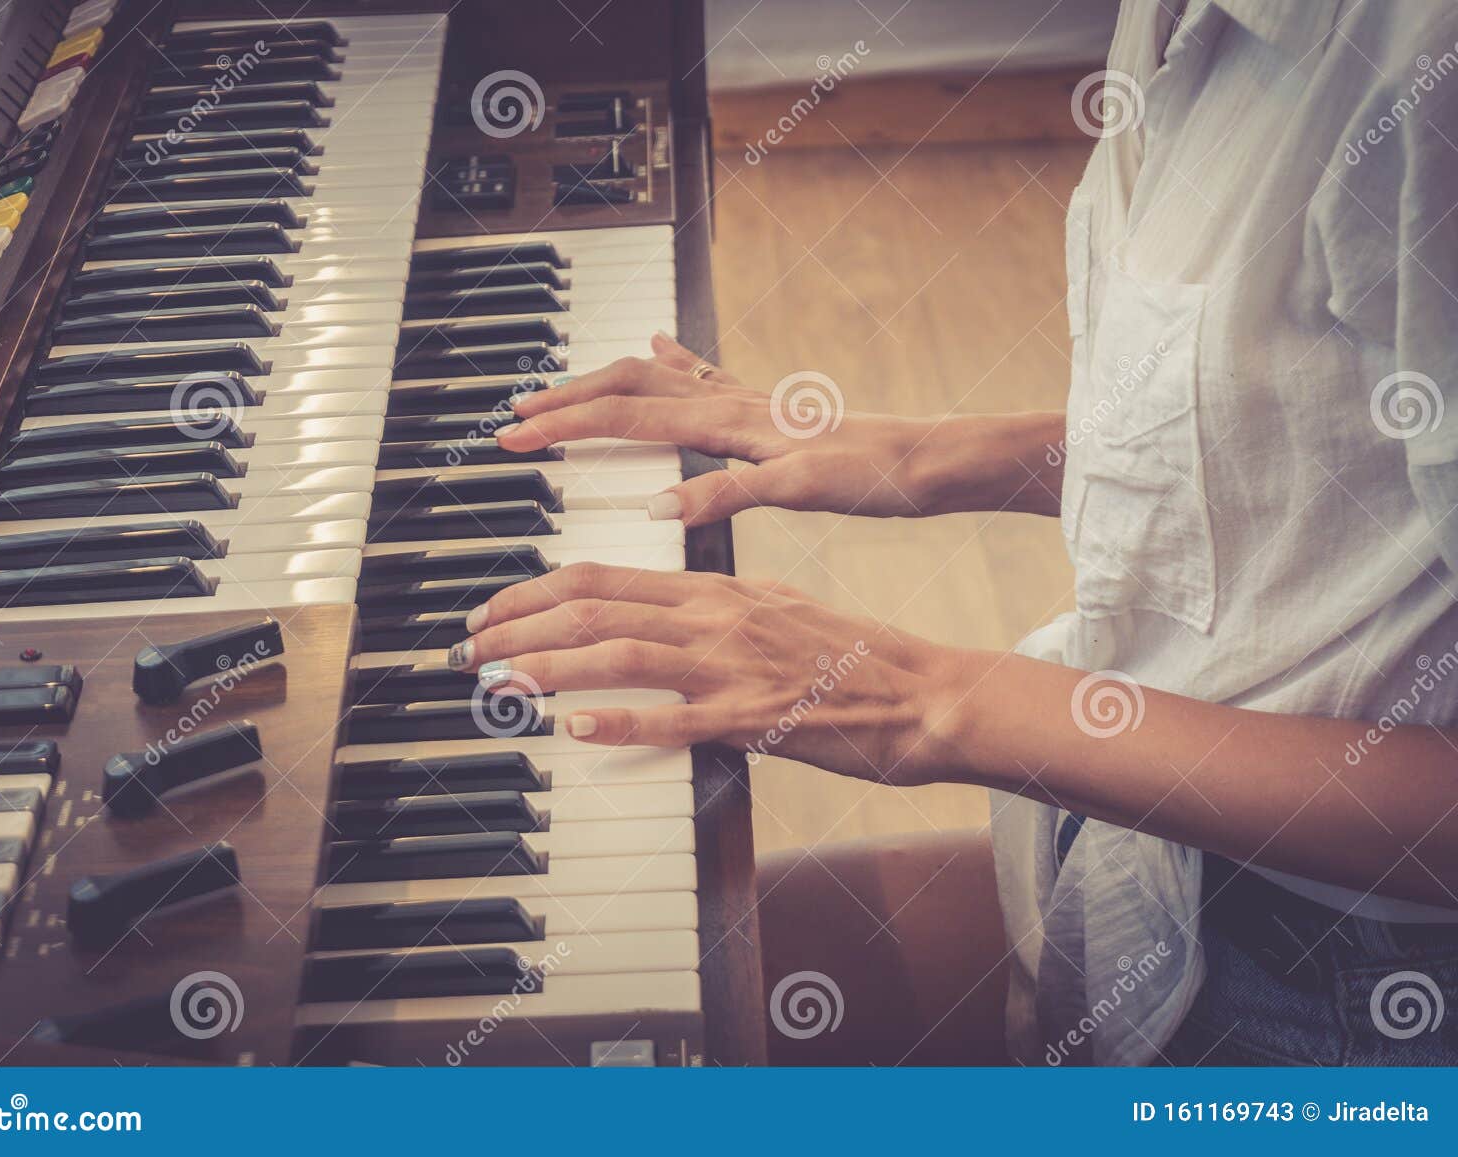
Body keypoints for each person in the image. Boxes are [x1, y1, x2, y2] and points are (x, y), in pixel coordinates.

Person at [445, 0, 1458, 1065]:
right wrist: (920, 455)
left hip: (1343, 978)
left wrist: (927, 698)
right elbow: (1318, 438)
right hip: (1144, 842)